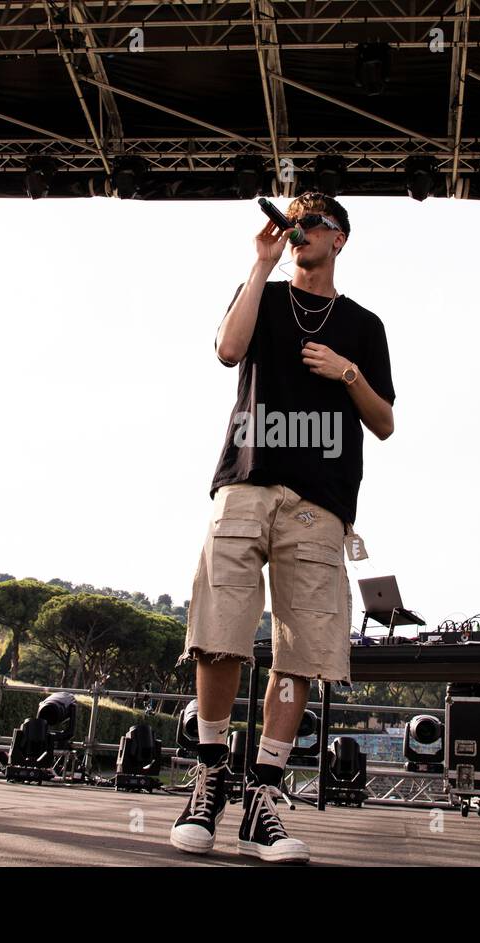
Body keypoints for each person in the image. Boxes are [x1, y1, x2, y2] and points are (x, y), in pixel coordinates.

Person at [170, 193, 396, 863]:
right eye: (295, 221)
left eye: (315, 222)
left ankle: (263, 794)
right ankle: (210, 775)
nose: (301, 230)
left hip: (319, 501)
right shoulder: (263, 295)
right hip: (245, 483)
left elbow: (383, 421)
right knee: (221, 634)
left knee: (301, 650)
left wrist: (347, 373)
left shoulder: (362, 324)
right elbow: (227, 350)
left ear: (341, 239)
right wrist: (260, 263)